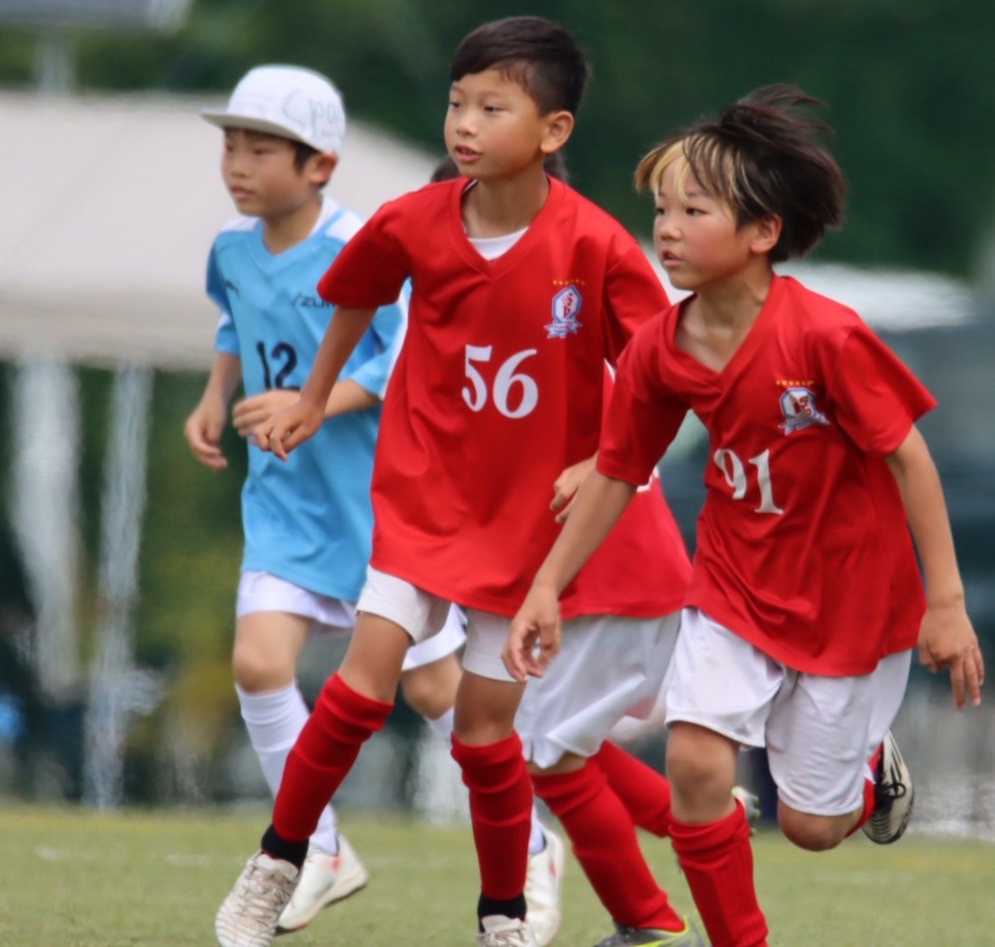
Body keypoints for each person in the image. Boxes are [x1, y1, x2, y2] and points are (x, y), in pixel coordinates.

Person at [214, 18, 703, 947]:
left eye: (491, 107)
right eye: (456, 104)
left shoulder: (594, 246)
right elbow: (355, 292)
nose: (465, 124)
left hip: (526, 534)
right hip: (425, 497)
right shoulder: (414, 218)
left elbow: (658, 376)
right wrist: (313, 399)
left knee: (486, 735)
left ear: (553, 130)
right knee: (362, 685)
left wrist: (605, 456)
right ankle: (277, 862)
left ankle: (502, 914)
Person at [506, 85, 986, 947]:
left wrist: (944, 604)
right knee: (694, 762)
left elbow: (910, 459)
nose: (667, 229)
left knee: (810, 826)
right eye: (661, 209)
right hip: (732, 586)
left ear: (763, 232)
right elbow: (618, 470)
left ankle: (866, 769)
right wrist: (547, 585)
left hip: (851, 602)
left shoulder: (826, 336)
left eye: (693, 211)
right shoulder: (659, 348)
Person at [187, 64, 561, 940]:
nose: (237, 165)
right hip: (285, 503)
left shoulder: (368, 241)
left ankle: (532, 846)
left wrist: (313, 403)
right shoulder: (230, 248)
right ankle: (317, 847)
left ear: (319, 165)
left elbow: (406, 355)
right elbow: (234, 322)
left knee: (439, 697)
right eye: (230, 146)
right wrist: (215, 394)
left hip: (380, 505)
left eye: (260, 149)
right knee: (258, 664)